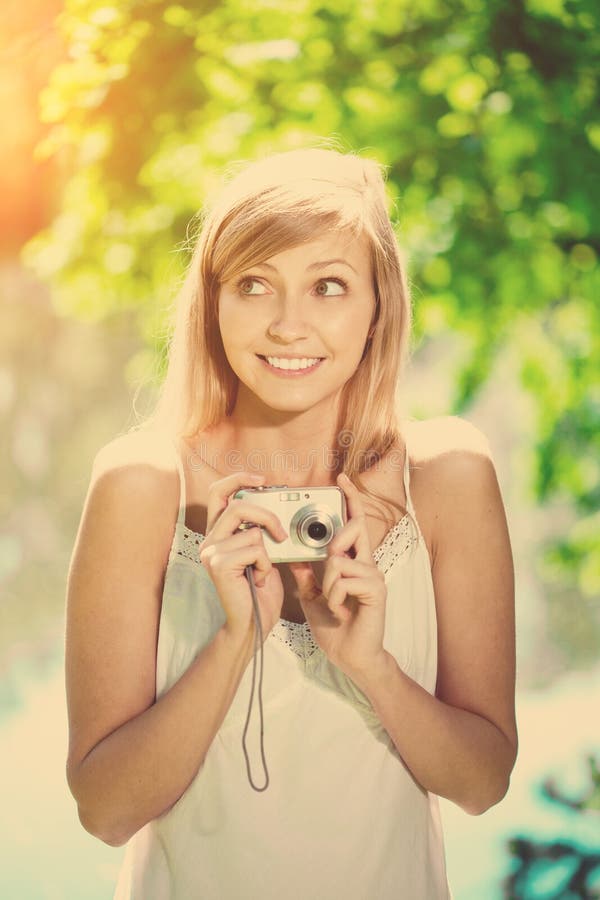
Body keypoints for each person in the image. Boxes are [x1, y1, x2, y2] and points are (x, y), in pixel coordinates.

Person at [65, 147, 517, 899]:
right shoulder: (140, 485)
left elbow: (481, 783)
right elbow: (108, 812)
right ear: (213, 300)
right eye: (254, 285)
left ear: (379, 305)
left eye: (328, 286)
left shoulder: (445, 476)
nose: (287, 326)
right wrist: (233, 641)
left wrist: (369, 665)